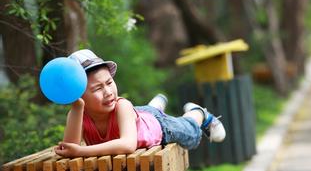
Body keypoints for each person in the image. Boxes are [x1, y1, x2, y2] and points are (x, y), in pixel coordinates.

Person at [54, 49, 226, 157]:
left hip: (159, 127)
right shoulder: (77, 113)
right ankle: (154, 107)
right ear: (79, 95)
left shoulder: (122, 105)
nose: (108, 92)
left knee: (189, 133)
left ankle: (199, 113)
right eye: (97, 89)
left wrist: (81, 152)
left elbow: (128, 145)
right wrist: (77, 106)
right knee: (147, 113)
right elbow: (70, 148)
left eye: (109, 83)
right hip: (139, 117)